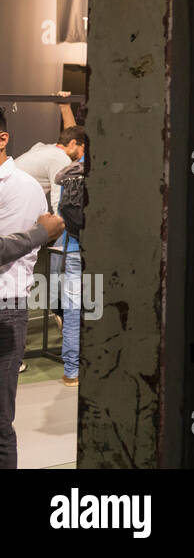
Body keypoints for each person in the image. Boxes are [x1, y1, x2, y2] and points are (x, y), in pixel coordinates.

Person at [0, 108, 52, 468]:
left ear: (2, 138)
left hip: (6, 308)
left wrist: (38, 234)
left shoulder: (25, 188)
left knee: (0, 421)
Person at [51, 157, 87, 386]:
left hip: (72, 248)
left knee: (72, 310)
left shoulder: (70, 171)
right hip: (101, 249)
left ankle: (71, 372)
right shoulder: (109, 161)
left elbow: (62, 214)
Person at [14, 126, 88, 209]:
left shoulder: (46, 148)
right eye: (84, 150)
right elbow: (60, 205)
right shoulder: (61, 158)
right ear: (73, 144)